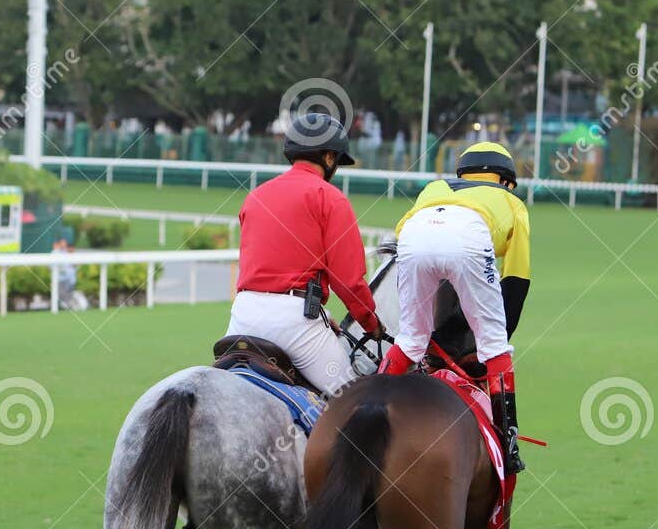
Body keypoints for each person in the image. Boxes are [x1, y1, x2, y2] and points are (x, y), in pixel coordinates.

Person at [381, 141, 531, 474]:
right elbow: (516, 280)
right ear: (505, 180)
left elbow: (405, 232)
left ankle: (369, 406)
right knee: (495, 347)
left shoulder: (436, 188)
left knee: (409, 340)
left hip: (414, 237)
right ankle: (509, 444)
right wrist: (493, 338)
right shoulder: (512, 202)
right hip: (469, 237)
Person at [225, 112, 382, 395]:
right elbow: (348, 282)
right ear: (330, 158)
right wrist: (372, 324)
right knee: (357, 407)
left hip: (243, 315)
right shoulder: (331, 198)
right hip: (295, 324)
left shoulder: (256, 195)